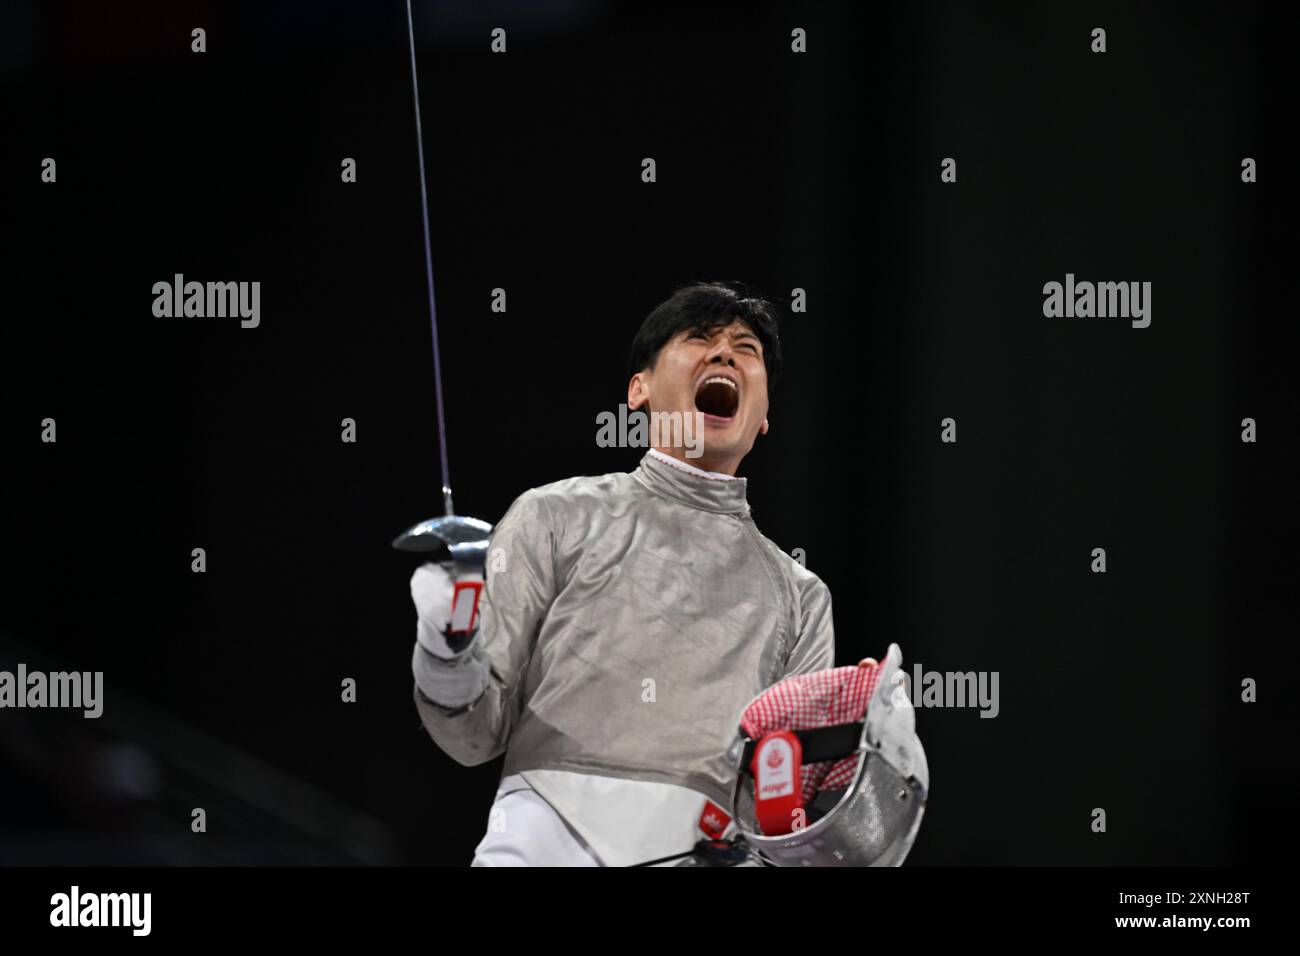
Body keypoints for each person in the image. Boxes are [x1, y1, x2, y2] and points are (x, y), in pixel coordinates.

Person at [409, 281, 838, 865]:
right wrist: (445, 651)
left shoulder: (801, 598)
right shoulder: (554, 516)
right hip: (540, 844)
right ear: (639, 389)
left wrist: (860, 765)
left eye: (746, 349)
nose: (724, 354)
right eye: (699, 338)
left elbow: (782, 809)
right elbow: (474, 735)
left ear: (763, 416)